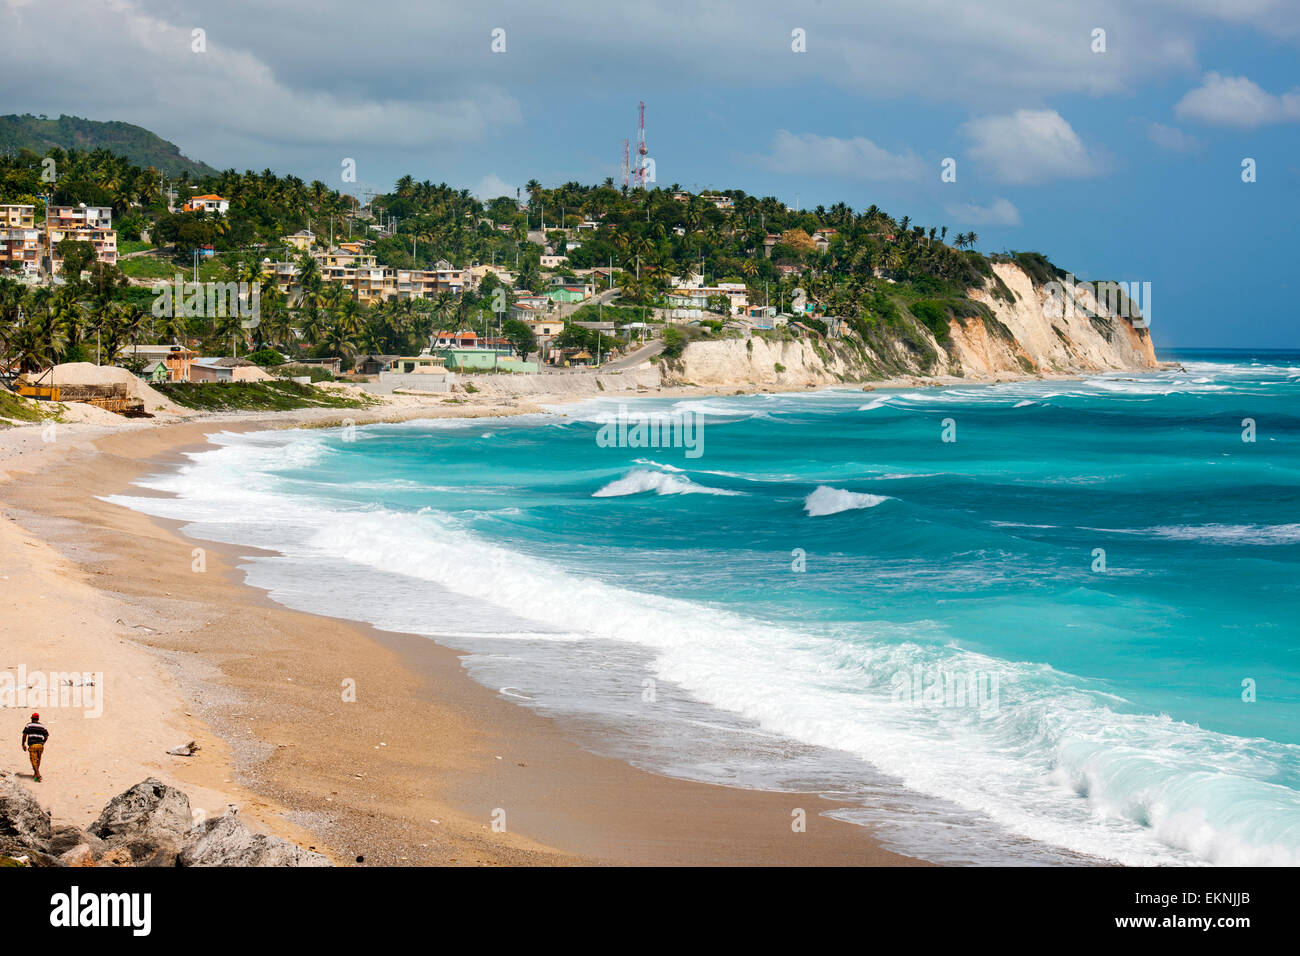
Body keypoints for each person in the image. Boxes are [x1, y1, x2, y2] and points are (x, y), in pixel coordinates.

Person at [21, 713, 48, 783]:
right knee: (38, 760)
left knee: (33, 760)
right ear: (38, 719)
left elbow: (24, 735)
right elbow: (46, 736)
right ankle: (35, 776)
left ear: (32, 718)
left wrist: (23, 744)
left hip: (32, 745)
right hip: (40, 745)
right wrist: (43, 742)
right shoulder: (42, 726)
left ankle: (38, 775)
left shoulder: (29, 725)